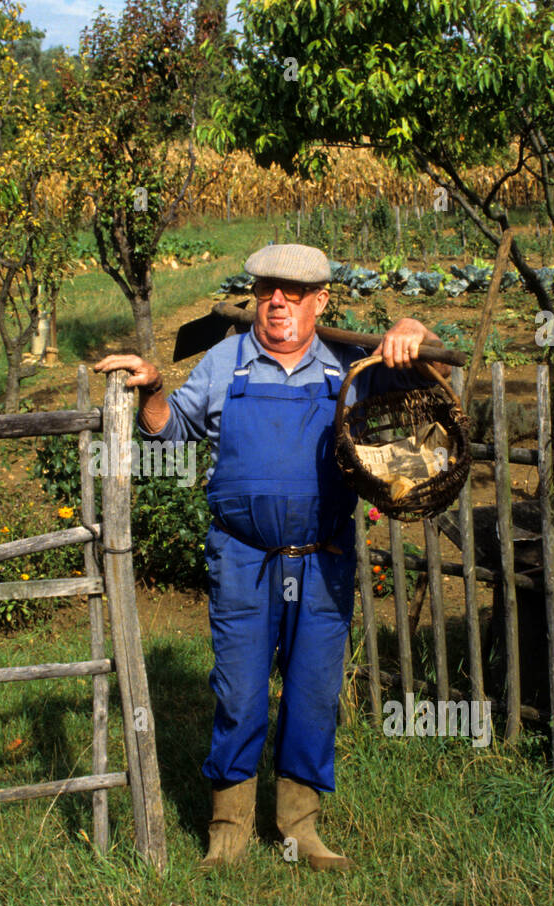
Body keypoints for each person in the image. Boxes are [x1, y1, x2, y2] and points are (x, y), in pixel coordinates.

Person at [94, 243, 449, 871]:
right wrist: (153, 387)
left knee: (312, 691)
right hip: (243, 559)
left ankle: (299, 829)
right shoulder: (228, 361)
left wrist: (412, 329)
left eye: (291, 292)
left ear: (321, 302)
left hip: (324, 557)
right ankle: (228, 830)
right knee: (239, 693)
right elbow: (169, 428)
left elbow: (432, 384)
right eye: (265, 290)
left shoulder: (351, 367)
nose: (276, 301)